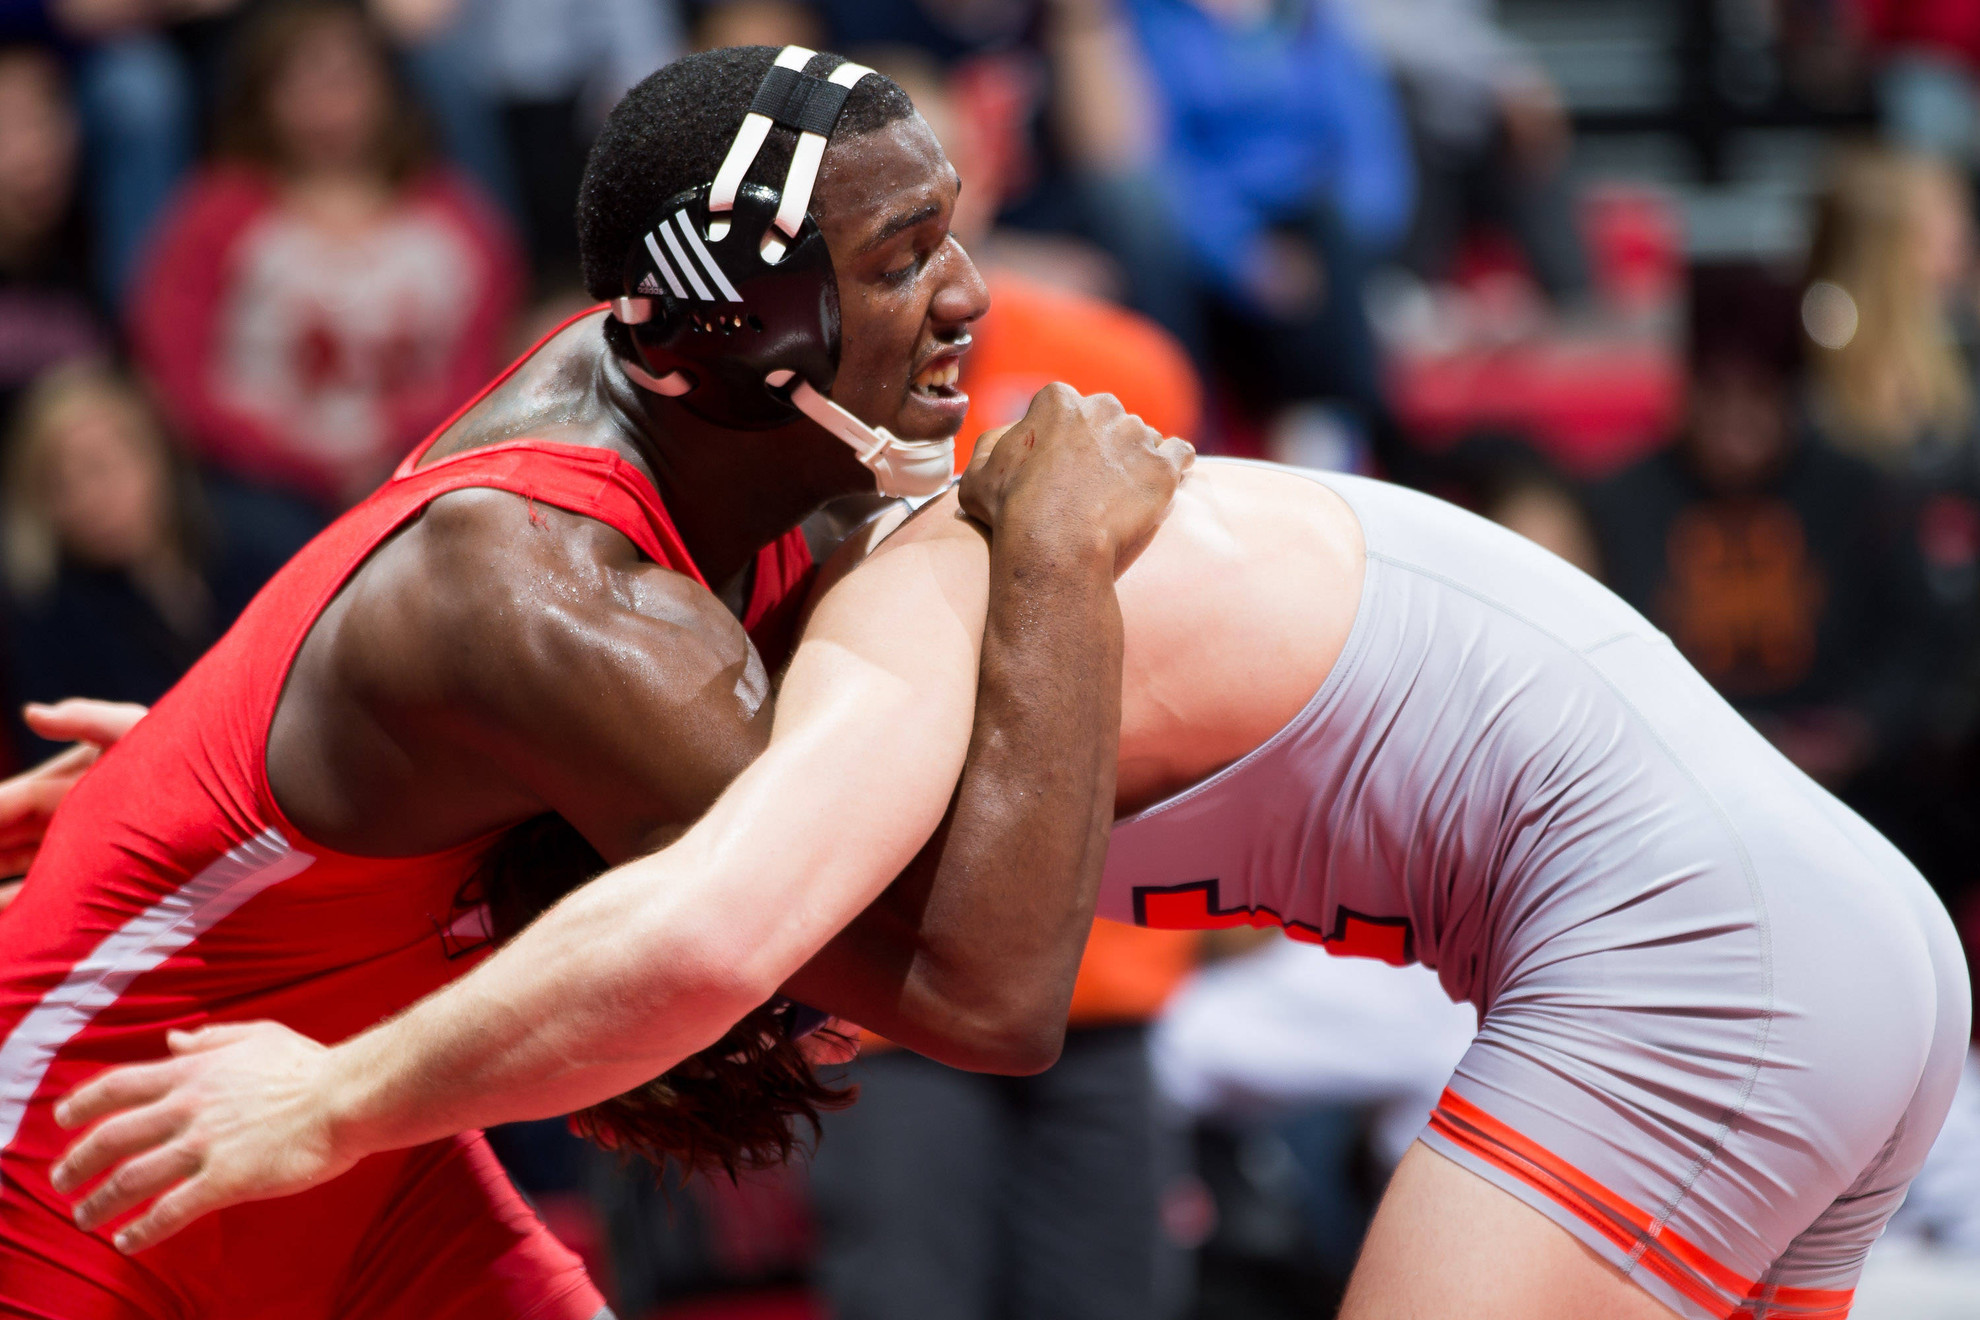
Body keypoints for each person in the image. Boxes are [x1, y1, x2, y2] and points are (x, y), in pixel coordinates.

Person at [56, 431, 1970, 1320]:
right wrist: (218, 783)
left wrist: (334, 1095)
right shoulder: (865, 641)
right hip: (1849, 946)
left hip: (1706, 956)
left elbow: (705, 920)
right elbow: (575, 825)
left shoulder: (920, 603)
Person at [0, 44, 1191, 1319]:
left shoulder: (685, 389)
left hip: (342, 1142)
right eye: (904, 262)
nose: (968, 299)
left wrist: (203, 767)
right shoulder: (555, 595)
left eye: (948, 237)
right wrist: (1057, 559)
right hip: (81, 1159)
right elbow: (985, 994)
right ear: (749, 336)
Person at [129, 1, 523, 510]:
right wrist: (295, 459)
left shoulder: (456, 215)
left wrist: (394, 447)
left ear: (387, 88)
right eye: (301, 84)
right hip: (251, 487)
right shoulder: (216, 213)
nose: (327, 105)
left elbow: (486, 361)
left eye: (344, 79)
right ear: (263, 97)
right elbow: (175, 367)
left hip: (429, 475)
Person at [2, 363, 323, 763]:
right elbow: (64, 766)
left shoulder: (262, 538)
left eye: (100, 469)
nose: (86, 500)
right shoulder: (45, 618)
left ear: (154, 456)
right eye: (59, 485)